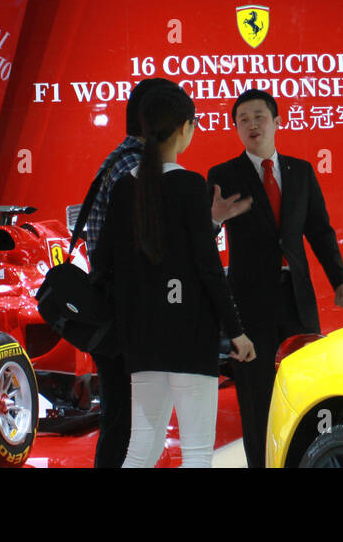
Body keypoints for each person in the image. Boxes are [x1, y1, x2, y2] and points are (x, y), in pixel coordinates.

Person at [92, 83, 256, 468]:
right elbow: (208, 267)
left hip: (140, 338)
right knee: (197, 451)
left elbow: (102, 262)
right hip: (189, 334)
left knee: (141, 447)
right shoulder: (188, 185)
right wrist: (237, 331)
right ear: (184, 127)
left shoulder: (124, 187)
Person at [207, 90, 343, 468]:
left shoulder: (301, 172)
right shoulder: (223, 175)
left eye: (259, 116)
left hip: (296, 297)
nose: (252, 124)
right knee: (256, 395)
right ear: (235, 128)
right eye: (243, 119)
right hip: (250, 303)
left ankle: (310, 458)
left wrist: (339, 280)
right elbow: (202, 236)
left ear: (276, 121)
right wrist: (214, 221)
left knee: (306, 384)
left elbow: (319, 231)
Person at [77, 75, 175, 469]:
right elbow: (148, 250)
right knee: (128, 426)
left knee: (121, 421)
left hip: (115, 314)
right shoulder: (136, 170)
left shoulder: (120, 161)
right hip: (129, 317)